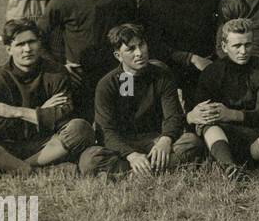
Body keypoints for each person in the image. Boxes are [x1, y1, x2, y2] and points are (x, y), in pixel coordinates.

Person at [0, 17, 93, 174]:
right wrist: (42, 113)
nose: (27, 49)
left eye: (32, 42)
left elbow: (64, 115)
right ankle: (28, 169)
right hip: (4, 145)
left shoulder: (56, 72)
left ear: (40, 43)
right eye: (20, 44)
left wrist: (15, 112)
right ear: (9, 49)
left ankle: (14, 167)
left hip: (45, 146)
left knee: (81, 128)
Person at [86, 23, 203, 177]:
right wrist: (131, 155)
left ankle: (129, 172)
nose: (139, 53)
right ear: (118, 56)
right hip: (122, 145)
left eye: (141, 45)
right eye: (130, 49)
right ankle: (150, 168)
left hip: (154, 140)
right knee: (90, 160)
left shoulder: (161, 75)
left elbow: (173, 116)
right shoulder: (107, 84)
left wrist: (165, 140)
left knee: (192, 142)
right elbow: (106, 132)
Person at [188, 18, 259, 179]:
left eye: (248, 45)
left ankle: (247, 160)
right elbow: (199, 111)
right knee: (206, 126)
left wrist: (231, 114)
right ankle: (230, 167)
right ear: (225, 47)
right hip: (224, 136)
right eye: (237, 46)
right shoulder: (212, 72)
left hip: (257, 135)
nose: (243, 51)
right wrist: (197, 114)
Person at [44, 0, 138, 117]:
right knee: (82, 123)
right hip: (80, 77)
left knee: (128, 117)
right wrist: (60, 66)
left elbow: (136, 35)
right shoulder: (62, 0)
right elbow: (41, 39)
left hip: (121, 72)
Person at [139, 0, 221, 106]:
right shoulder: (150, 5)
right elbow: (155, 45)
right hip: (172, 66)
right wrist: (190, 58)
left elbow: (220, 30)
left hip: (208, 61)